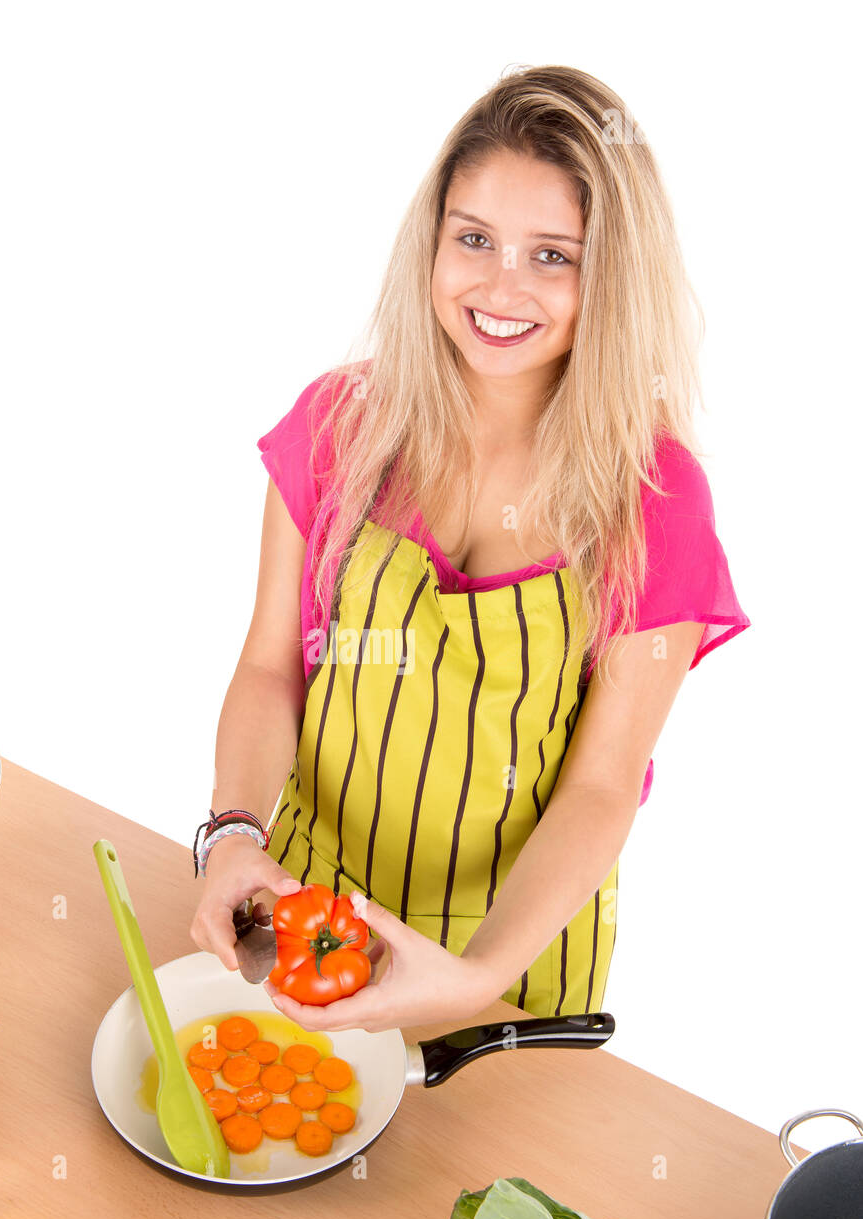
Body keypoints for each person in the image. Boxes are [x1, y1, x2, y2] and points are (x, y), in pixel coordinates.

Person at [189, 64, 749, 1033]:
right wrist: (234, 835)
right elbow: (270, 666)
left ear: (612, 274)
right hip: (309, 925)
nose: (499, 286)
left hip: (511, 962)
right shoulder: (339, 426)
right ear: (432, 240)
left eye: (552, 256)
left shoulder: (654, 499)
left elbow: (603, 783)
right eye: (475, 239)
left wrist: (473, 976)